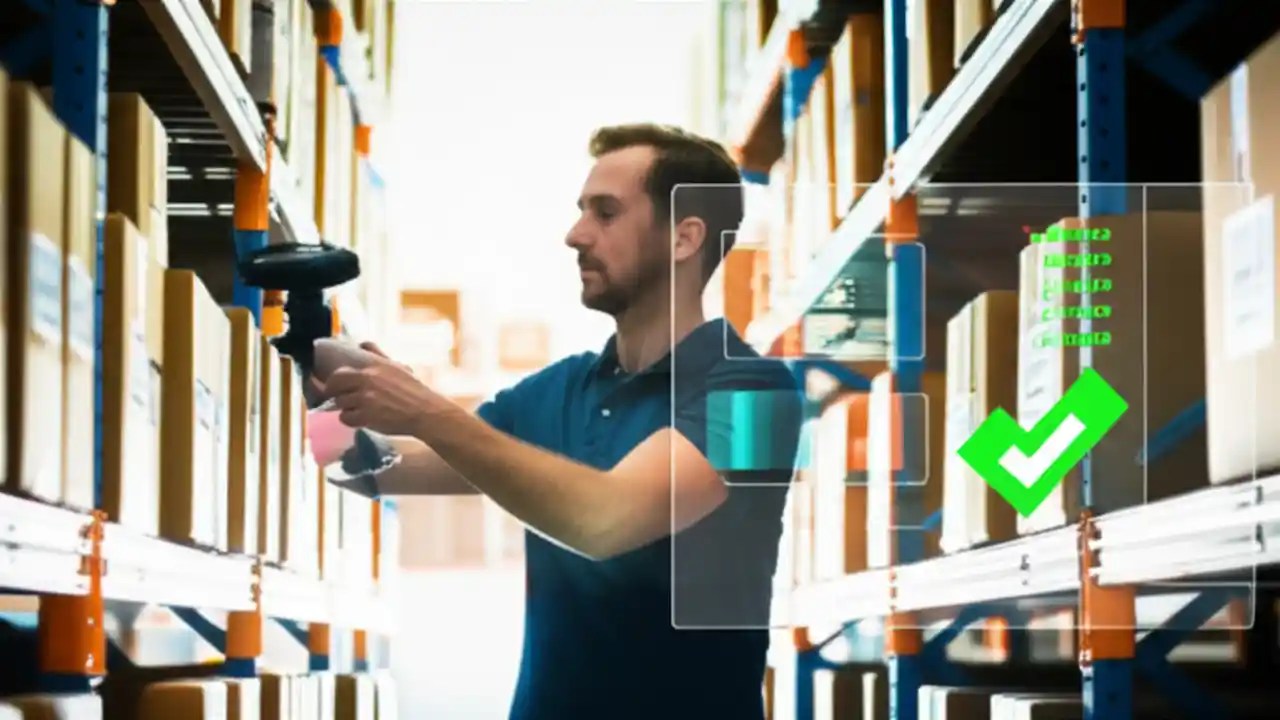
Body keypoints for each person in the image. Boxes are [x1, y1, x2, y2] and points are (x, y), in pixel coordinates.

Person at [323, 123, 804, 719]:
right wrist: (312, 358)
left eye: (605, 213)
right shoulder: (558, 391)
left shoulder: (758, 396)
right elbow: (368, 468)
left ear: (685, 238)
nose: (575, 235)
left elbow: (607, 522)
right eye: (581, 212)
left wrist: (425, 410)